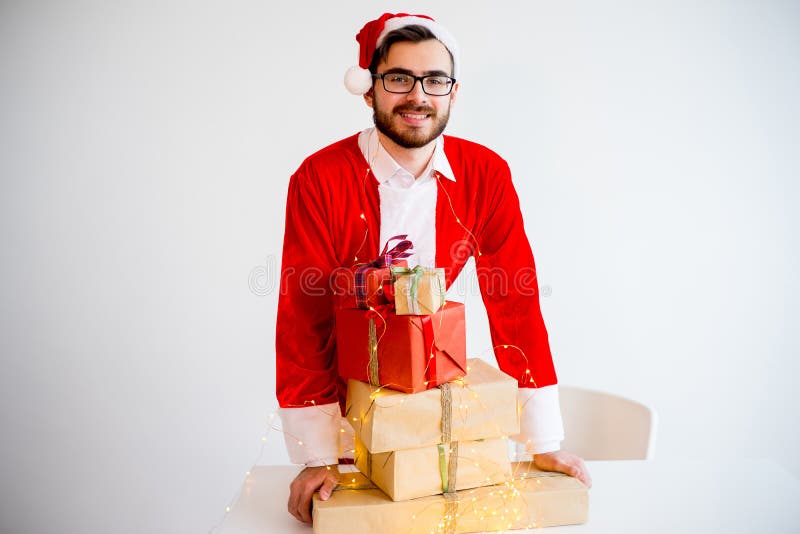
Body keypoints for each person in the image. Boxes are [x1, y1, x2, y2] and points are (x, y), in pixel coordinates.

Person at [276, 13, 591, 524]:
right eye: (398, 78)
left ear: (452, 92)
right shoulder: (319, 178)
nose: (417, 95)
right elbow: (304, 314)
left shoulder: (484, 174)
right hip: (346, 423)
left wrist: (541, 439)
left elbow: (515, 300)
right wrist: (318, 455)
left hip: (441, 421)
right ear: (369, 90)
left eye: (434, 80)